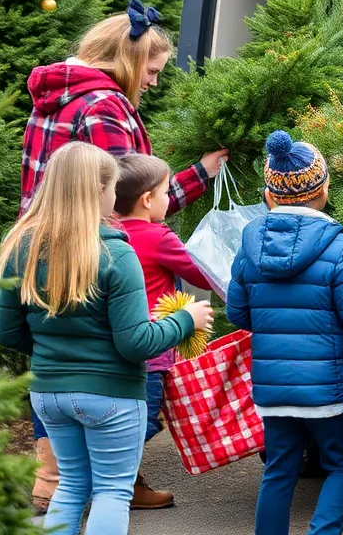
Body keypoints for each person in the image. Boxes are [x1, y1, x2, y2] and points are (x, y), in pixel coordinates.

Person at [20, 0, 228, 510]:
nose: (154, 82)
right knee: (112, 355)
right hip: (91, 251)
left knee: (55, 356)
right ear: (128, 59)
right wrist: (199, 175)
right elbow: (126, 199)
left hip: (41, 247)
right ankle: (95, 480)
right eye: (152, 71)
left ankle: (59, 482)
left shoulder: (55, 98)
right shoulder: (106, 106)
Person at [0, 142, 215, 535]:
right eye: (112, 188)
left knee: (73, 485)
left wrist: (58, 351)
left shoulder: (20, 247)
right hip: (110, 393)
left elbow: (6, 331)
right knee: (113, 490)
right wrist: (185, 320)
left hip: (49, 393)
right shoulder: (116, 254)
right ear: (99, 191)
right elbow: (135, 343)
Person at [227, 130, 343, 535]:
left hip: (274, 388)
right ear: (324, 189)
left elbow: (237, 313)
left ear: (269, 194)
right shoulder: (339, 245)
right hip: (329, 390)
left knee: (279, 472)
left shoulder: (249, 245)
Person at [114, 154, 216, 509]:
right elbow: (201, 274)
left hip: (117, 345)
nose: (167, 201)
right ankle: (110, 475)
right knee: (147, 419)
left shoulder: (110, 234)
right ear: (146, 200)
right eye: (164, 194)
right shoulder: (159, 236)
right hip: (154, 350)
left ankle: (128, 484)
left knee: (131, 414)